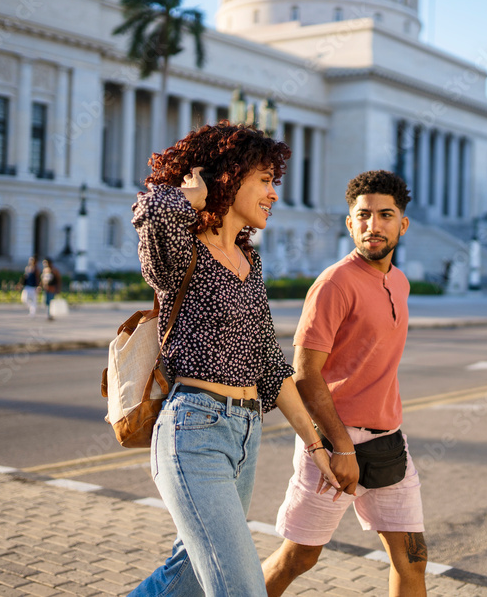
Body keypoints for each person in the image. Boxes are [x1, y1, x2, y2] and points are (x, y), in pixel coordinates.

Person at [128, 123, 339, 597]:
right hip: (193, 429)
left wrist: (316, 446)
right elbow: (150, 209)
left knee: (185, 577)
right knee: (242, 588)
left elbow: (269, 359)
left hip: (244, 434)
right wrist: (195, 193)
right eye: (264, 180)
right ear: (229, 177)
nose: (273, 194)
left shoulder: (248, 261)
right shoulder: (182, 252)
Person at [263, 170, 427, 597]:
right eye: (364, 215)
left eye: (385, 215)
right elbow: (304, 374)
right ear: (350, 223)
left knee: (412, 558)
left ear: (402, 224)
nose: (374, 225)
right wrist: (341, 446)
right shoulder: (335, 283)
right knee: (299, 557)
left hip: (389, 439)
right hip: (336, 440)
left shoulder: (400, 282)